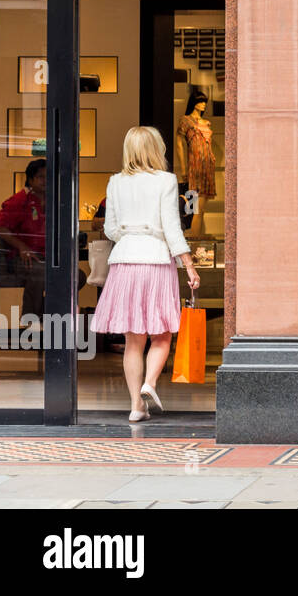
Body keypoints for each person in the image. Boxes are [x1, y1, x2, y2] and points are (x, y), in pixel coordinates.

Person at [92, 126, 201, 422]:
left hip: (125, 260)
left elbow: (110, 228)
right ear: (156, 149)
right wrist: (189, 265)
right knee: (162, 334)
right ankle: (149, 384)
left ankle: (135, 408)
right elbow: (172, 228)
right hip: (155, 258)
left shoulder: (115, 183)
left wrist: (130, 233)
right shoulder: (165, 181)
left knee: (133, 340)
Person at [0, 158, 48, 322]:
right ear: (30, 179)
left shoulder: (54, 201)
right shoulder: (19, 201)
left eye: (49, 176)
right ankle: (31, 319)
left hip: (45, 258)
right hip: (17, 260)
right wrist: (22, 247)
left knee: (77, 276)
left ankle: (50, 315)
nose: (46, 181)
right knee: (40, 271)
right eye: (41, 177)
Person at [175, 90, 216, 238]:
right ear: (194, 102)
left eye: (205, 102)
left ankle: (196, 241)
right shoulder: (186, 120)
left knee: (201, 209)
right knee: (196, 209)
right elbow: (179, 145)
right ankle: (194, 243)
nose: (203, 104)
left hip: (208, 168)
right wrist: (184, 169)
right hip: (195, 167)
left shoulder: (207, 123)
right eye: (200, 101)